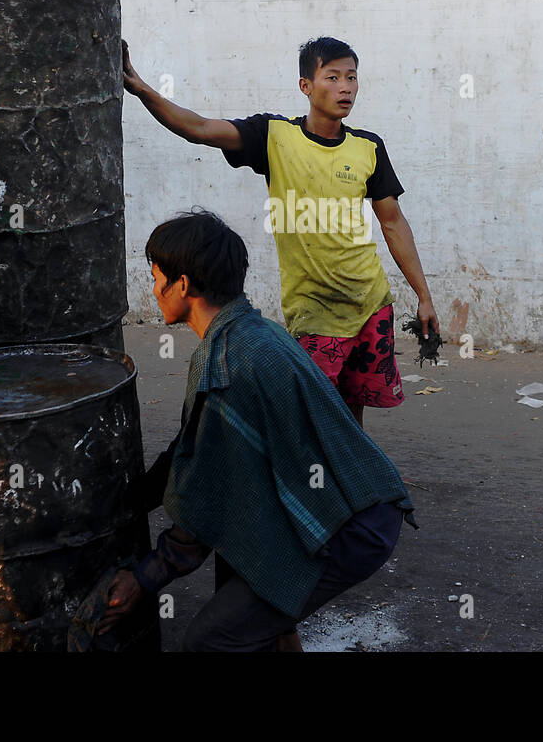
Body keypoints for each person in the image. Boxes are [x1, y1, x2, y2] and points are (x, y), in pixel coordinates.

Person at [99, 211, 417, 652]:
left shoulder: (225, 366)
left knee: (212, 639)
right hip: (358, 500)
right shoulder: (254, 330)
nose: (153, 291)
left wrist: (145, 578)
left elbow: (205, 494)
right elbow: (192, 444)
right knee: (249, 571)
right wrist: (131, 502)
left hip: (349, 523)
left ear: (184, 285)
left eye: (156, 278)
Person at [123, 36, 437, 428]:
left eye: (352, 78)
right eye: (333, 77)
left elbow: (392, 223)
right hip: (313, 314)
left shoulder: (368, 148)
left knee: (352, 412)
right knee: (311, 415)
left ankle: (352, 481)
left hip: (370, 304)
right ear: (306, 85)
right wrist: (141, 89)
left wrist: (423, 295)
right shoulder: (273, 137)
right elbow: (199, 128)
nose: (345, 88)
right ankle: (315, 483)